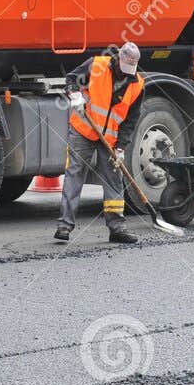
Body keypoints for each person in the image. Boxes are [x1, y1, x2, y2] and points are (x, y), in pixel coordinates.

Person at [56, 41, 143, 245]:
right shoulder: (96, 65)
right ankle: (64, 225)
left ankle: (117, 228)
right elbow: (70, 79)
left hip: (110, 139)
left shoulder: (137, 84)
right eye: (124, 68)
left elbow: (130, 120)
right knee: (75, 173)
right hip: (83, 129)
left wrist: (121, 147)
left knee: (114, 178)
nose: (126, 74)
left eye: (131, 70)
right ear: (117, 59)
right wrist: (75, 95)